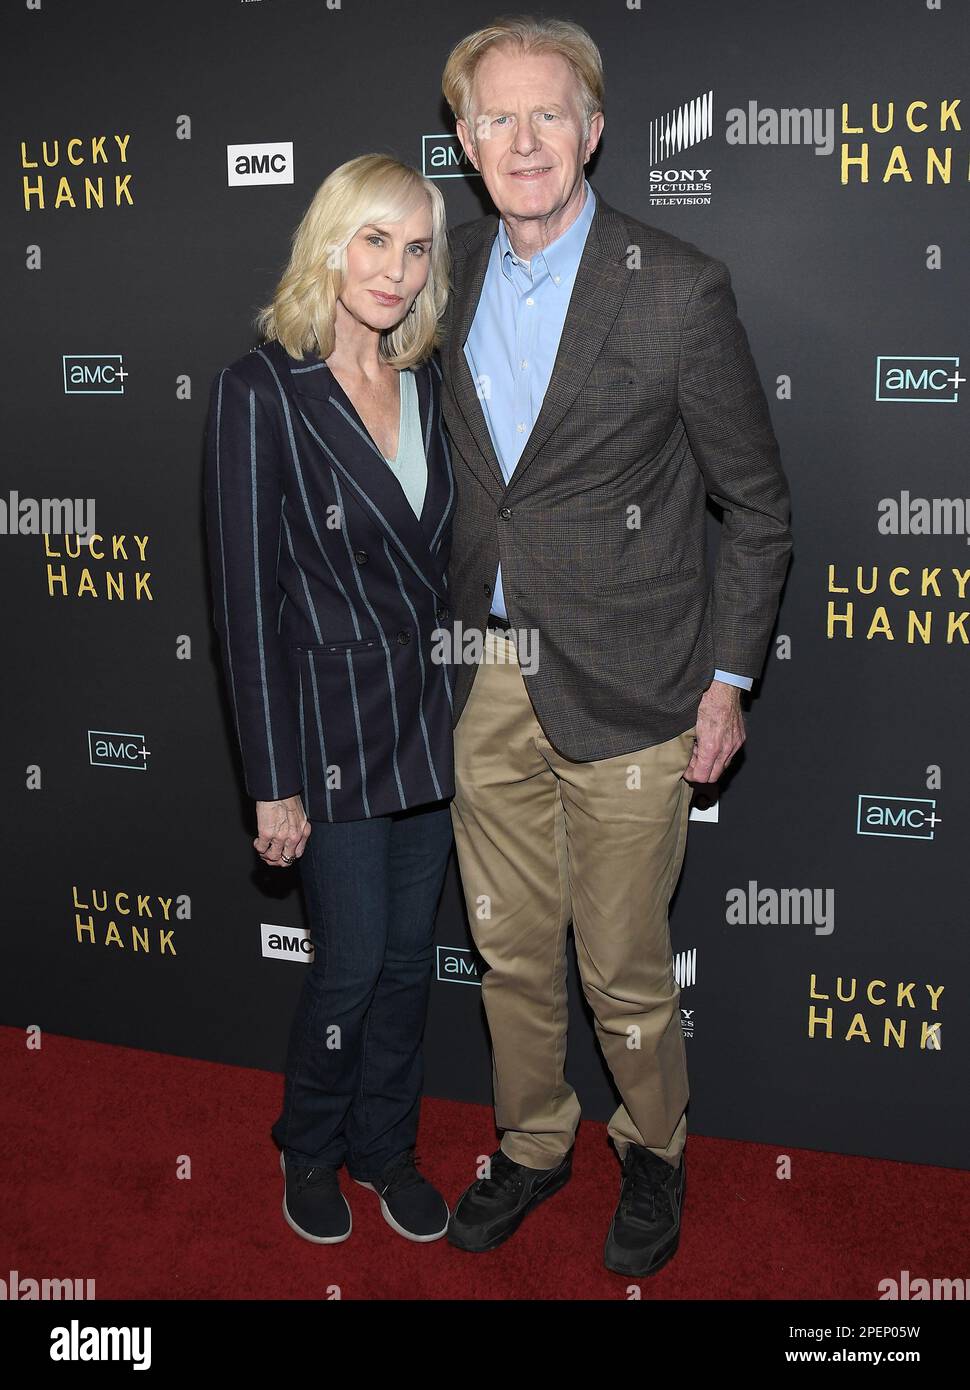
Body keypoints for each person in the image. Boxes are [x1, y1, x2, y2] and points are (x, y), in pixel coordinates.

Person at [436, 17, 793, 1275]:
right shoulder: (438, 274)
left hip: (637, 685)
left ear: (592, 131)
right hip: (480, 678)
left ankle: (653, 1149)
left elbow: (756, 505)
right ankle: (534, 1142)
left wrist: (728, 681)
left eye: (550, 114)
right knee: (506, 948)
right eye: (498, 117)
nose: (525, 140)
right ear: (464, 139)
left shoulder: (676, 286)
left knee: (625, 963)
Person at [202, 154, 458, 1246]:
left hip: (430, 723)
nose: (396, 270)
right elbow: (244, 605)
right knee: (349, 966)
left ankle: (387, 1148)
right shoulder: (261, 389)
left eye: (417, 249)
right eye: (375, 241)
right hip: (330, 734)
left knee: (407, 965)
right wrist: (273, 784)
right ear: (329, 245)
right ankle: (309, 1144)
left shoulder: (430, 385)